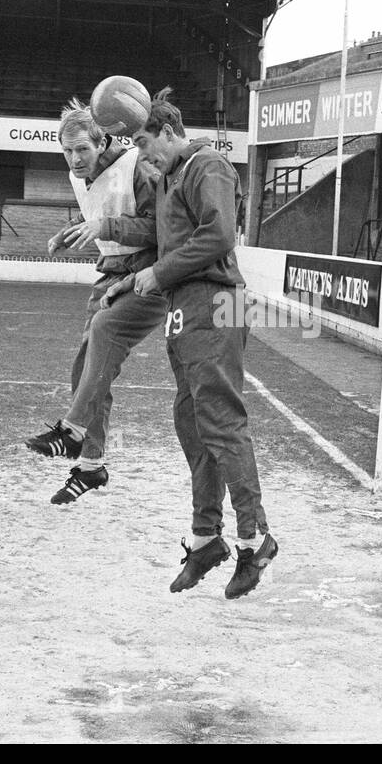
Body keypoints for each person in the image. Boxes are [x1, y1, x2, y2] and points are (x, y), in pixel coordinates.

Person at [131, 88, 278, 600]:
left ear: (169, 131)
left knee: (221, 422)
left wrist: (160, 271)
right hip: (186, 307)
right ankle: (206, 538)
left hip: (216, 303)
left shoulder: (207, 163)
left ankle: (255, 540)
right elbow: (163, 243)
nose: (141, 153)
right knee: (193, 424)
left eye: (145, 140)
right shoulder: (171, 177)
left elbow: (220, 237)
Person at [24, 99, 167, 504]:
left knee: (101, 346)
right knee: (85, 372)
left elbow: (162, 229)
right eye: (67, 151)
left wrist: (103, 226)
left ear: (102, 141)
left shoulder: (138, 167)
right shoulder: (79, 176)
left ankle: (70, 432)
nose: (74, 159)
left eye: (82, 149)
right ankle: (90, 466)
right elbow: (101, 216)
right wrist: (70, 232)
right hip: (110, 274)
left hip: (148, 274)